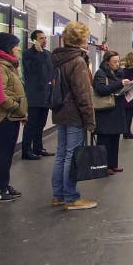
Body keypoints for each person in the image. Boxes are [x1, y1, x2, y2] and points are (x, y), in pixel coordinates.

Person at [51, 21, 97, 211]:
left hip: (60, 111)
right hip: (75, 114)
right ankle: (71, 197)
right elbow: (83, 94)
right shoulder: (77, 61)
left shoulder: (58, 58)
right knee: (72, 154)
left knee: (61, 154)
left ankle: (58, 195)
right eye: (86, 38)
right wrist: (90, 120)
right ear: (81, 39)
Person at [0, 33, 28, 202]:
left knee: (7, 154)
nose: (18, 48)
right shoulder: (0, 66)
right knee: (2, 154)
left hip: (11, 117)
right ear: (7, 46)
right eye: (15, 45)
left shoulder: (8, 65)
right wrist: (15, 107)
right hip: (4, 118)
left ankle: (3, 184)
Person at [93, 51, 130, 175]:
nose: (117, 64)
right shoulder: (100, 74)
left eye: (118, 61)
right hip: (105, 111)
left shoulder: (118, 73)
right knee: (104, 140)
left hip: (116, 109)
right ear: (107, 62)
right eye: (114, 62)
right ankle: (103, 166)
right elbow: (101, 90)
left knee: (114, 138)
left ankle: (113, 164)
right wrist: (120, 84)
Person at [21, 30, 54, 160]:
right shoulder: (28, 54)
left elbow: (50, 72)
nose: (44, 40)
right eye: (41, 38)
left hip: (45, 94)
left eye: (45, 38)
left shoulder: (47, 54)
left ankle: (38, 148)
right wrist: (38, 53)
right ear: (34, 40)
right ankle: (26, 150)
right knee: (31, 124)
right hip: (34, 95)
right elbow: (33, 70)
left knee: (41, 124)